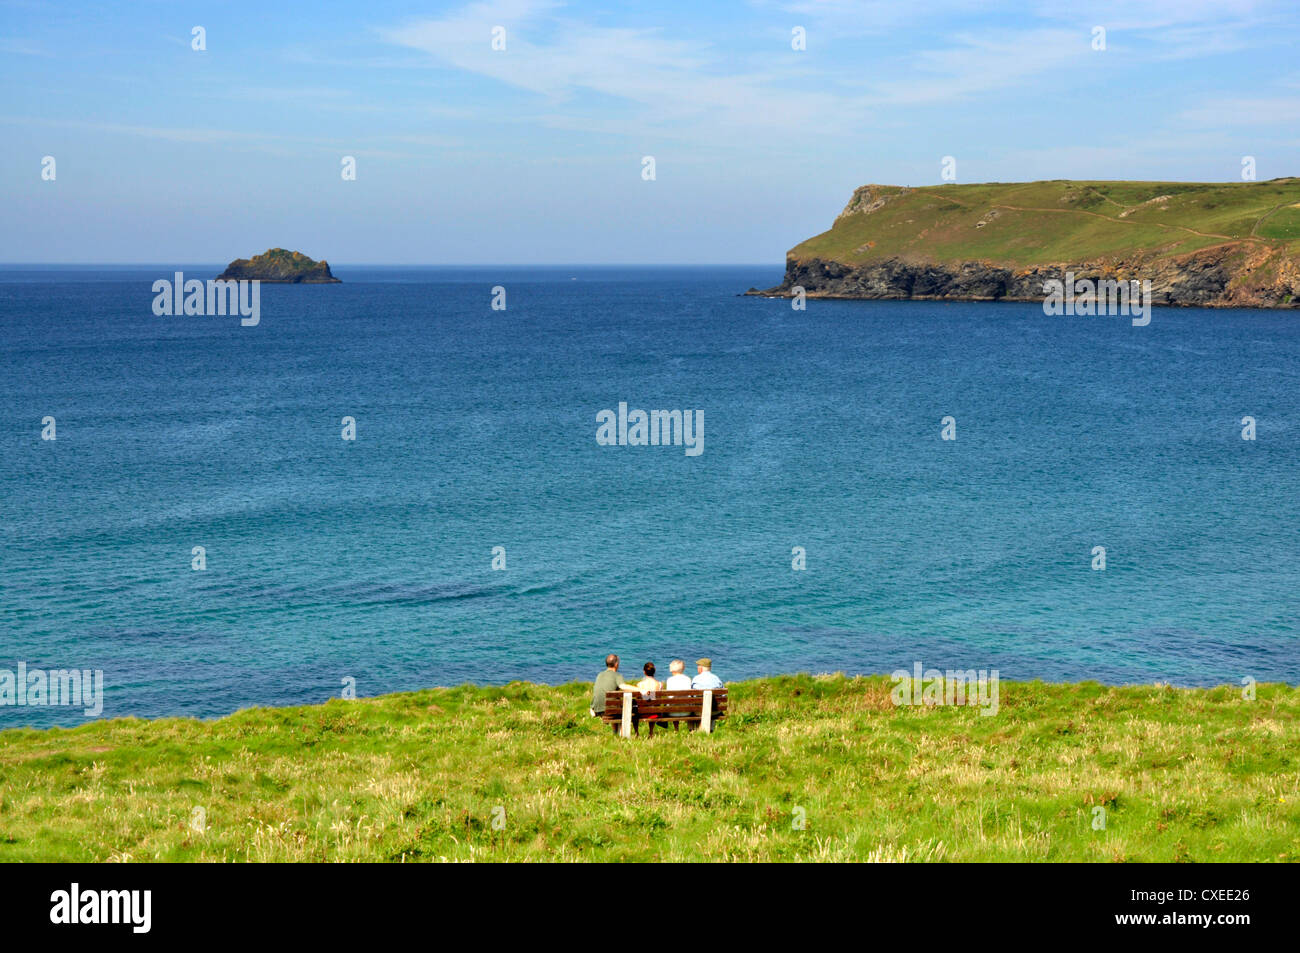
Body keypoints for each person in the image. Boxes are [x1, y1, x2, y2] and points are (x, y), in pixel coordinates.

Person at [590, 654, 636, 730]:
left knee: (615, 704)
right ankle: (622, 735)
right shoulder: (617, 675)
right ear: (616, 664)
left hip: (599, 709)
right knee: (627, 707)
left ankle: (615, 734)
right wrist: (640, 690)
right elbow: (623, 686)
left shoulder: (600, 675)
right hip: (611, 710)